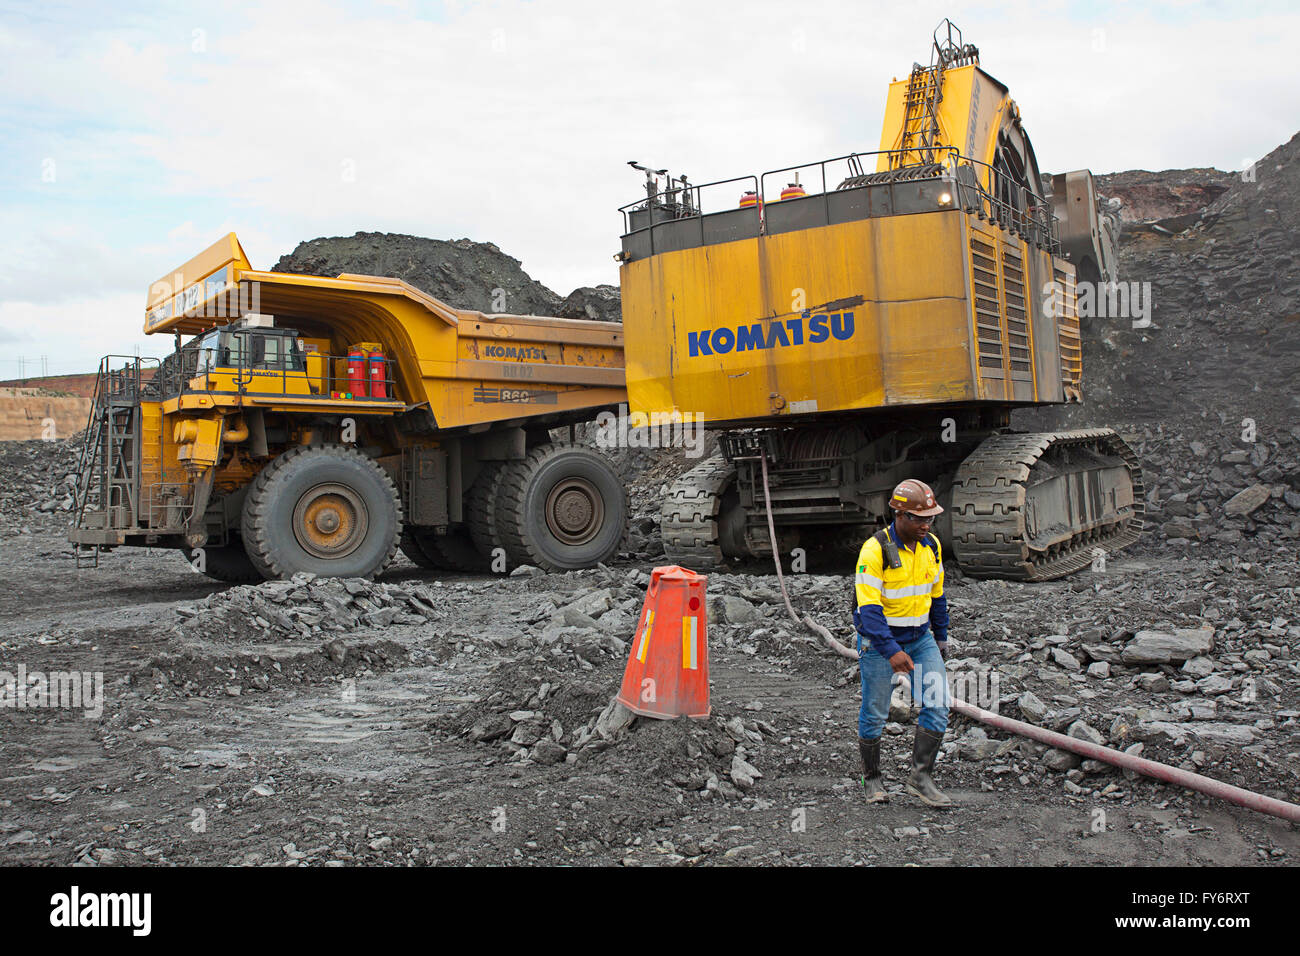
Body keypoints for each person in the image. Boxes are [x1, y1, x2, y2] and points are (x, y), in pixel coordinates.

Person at [852, 478, 952, 807]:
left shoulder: (932, 546)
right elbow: (868, 611)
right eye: (919, 518)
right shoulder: (875, 549)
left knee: (936, 705)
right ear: (899, 515)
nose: (926, 524)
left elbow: (937, 596)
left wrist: (940, 637)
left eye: (930, 518)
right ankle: (872, 778)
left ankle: (920, 778)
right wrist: (892, 652)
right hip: (880, 643)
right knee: (875, 712)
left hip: (921, 637)